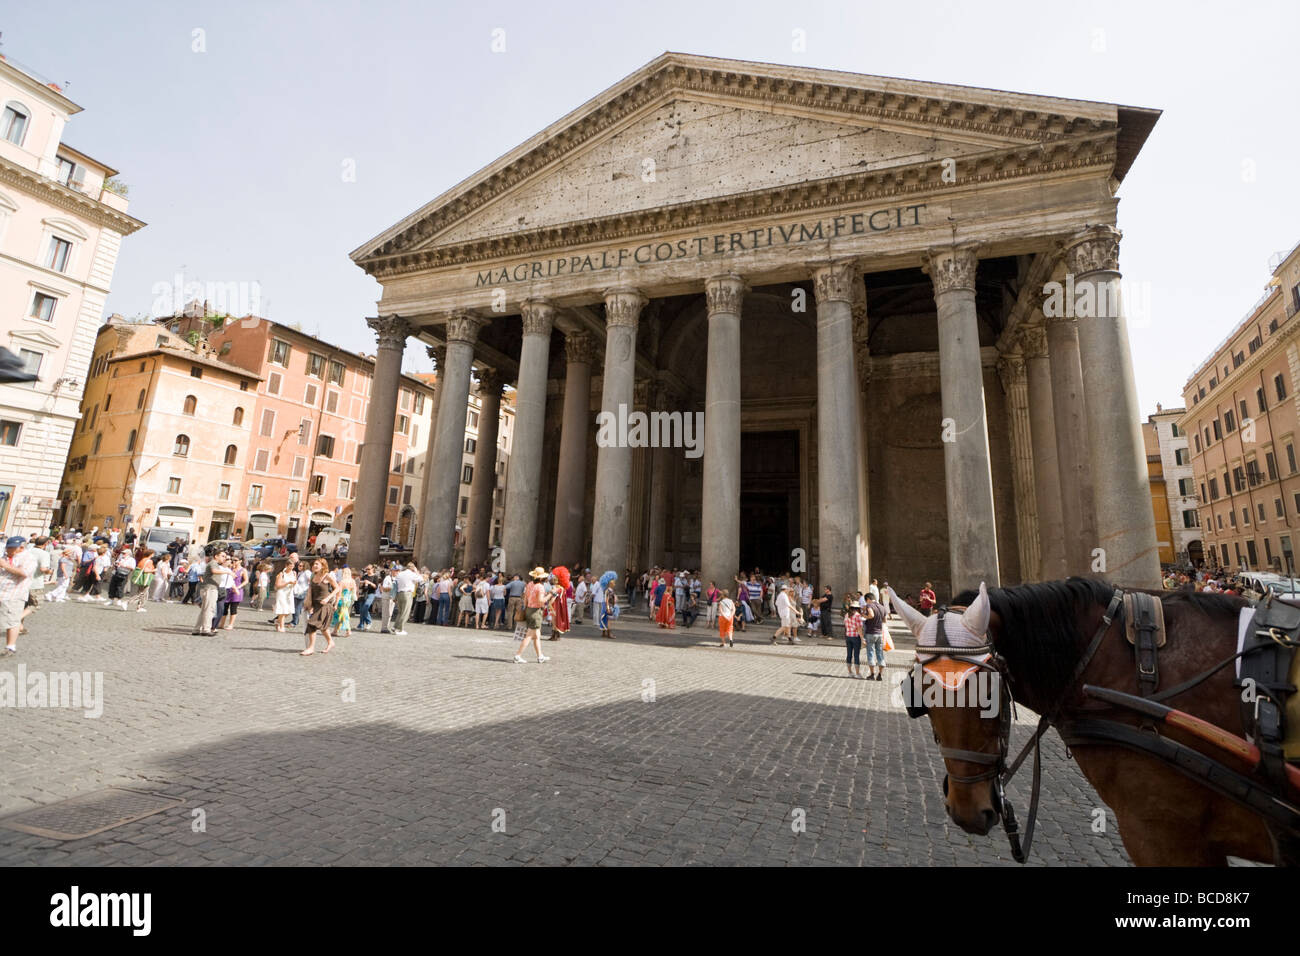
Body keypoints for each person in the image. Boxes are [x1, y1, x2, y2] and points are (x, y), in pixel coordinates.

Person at [1, 537, 37, 656]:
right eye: (8, 547)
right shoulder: (6, 556)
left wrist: (5, 565)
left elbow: (23, 573)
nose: (8, 550)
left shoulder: (28, 558)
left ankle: (10, 647)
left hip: (13, 594)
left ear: (21, 547)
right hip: (2, 591)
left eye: (11, 548)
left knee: (12, 621)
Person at [300, 558, 340, 656]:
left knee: (312, 624)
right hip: (316, 604)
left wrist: (328, 598)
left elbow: (337, 588)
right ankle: (331, 642)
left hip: (325, 605)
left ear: (323, 566)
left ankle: (311, 648)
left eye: (317, 564)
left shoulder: (327, 576)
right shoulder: (313, 576)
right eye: (314, 564)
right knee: (322, 627)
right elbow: (310, 591)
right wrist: (308, 603)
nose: (314, 566)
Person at [514, 567, 553, 663]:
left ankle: (540, 656)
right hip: (535, 612)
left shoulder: (530, 584)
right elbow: (541, 601)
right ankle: (518, 655)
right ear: (541, 578)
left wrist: (526, 607)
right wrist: (550, 594)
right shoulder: (540, 587)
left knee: (537, 635)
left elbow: (526, 597)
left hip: (529, 609)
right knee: (529, 636)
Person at [193, 553, 222, 636]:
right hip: (210, 589)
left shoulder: (214, 563)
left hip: (209, 589)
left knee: (204, 610)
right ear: (216, 556)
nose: (224, 558)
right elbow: (214, 571)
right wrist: (227, 572)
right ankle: (206, 629)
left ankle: (197, 629)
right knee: (209, 610)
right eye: (222, 556)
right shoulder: (213, 563)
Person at [862, 593, 886, 680]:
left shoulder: (869, 605)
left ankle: (872, 674)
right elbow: (885, 620)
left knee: (870, 653)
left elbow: (871, 615)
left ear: (868, 599)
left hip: (871, 633)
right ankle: (880, 675)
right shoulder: (882, 607)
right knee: (880, 653)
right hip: (879, 633)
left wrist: (865, 616)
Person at [393, 562, 420, 635]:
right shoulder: (412, 574)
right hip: (407, 593)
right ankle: (400, 629)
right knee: (405, 612)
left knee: (400, 612)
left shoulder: (400, 574)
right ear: (412, 568)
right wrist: (416, 571)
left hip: (399, 593)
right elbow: (420, 579)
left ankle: (395, 626)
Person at [220, 559, 247, 630]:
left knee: (233, 608)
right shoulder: (230, 568)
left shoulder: (243, 570)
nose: (234, 562)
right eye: (233, 560)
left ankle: (230, 624)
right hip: (228, 589)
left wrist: (239, 586)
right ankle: (221, 624)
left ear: (240, 561)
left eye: (236, 560)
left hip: (237, 590)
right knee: (224, 607)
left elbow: (246, 580)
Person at [843, 596, 865, 679]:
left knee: (849, 654)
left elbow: (845, 625)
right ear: (857, 608)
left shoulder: (846, 615)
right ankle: (858, 673)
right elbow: (859, 629)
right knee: (856, 655)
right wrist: (862, 638)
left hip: (848, 636)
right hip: (855, 637)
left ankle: (849, 672)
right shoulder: (857, 616)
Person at [548, 567, 571, 640]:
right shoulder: (562, 588)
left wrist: (549, 604)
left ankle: (554, 635)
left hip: (555, 606)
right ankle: (556, 635)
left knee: (554, 621)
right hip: (558, 606)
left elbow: (554, 597)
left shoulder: (557, 588)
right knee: (556, 621)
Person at [272, 562, 296, 632]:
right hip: (282, 593)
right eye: (290, 566)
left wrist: (294, 584)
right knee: (283, 610)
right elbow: (278, 585)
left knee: (289, 610)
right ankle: (282, 627)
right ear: (286, 566)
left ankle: (277, 621)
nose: (291, 568)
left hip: (289, 593)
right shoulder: (281, 574)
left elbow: (295, 582)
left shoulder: (294, 573)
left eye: (292, 566)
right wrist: (288, 583)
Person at [333, 567, 355, 637]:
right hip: (348, 600)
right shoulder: (352, 581)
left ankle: (348, 630)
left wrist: (335, 604)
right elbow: (354, 592)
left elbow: (338, 594)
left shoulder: (342, 582)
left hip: (341, 600)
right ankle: (335, 631)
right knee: (341, 614)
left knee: (343, 615)